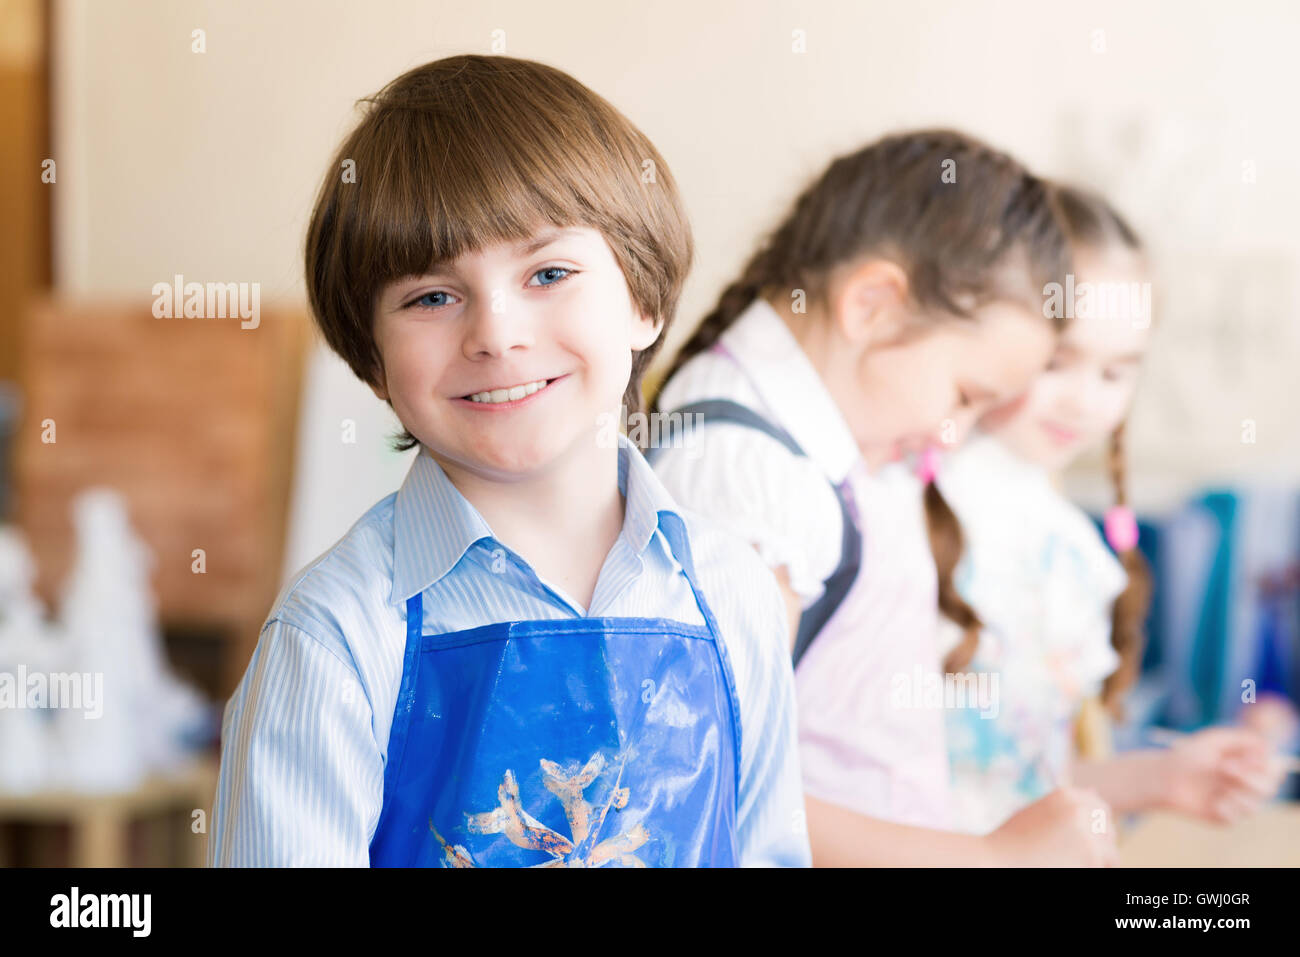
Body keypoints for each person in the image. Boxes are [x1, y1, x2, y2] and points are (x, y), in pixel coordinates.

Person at [209, 55, 810, 868]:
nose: (496, 333)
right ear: (372, 359)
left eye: (549, 273)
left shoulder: (731, 592)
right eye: (431, 296)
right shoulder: (334, 638)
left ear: (643, 300)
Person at [650, 130, 1116, 865]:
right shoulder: (746, 474)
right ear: (872, 304)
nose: (954, 434)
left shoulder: (833, 439)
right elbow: (713, 786)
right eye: (966, 395)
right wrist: (996, 859)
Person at [935, 183, 1286, 834]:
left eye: (1116, 372)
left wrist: (1161, 776)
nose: (1084, 401)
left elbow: (1025, 776)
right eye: (1058, 362)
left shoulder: (1066, 544)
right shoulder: (913, 506)